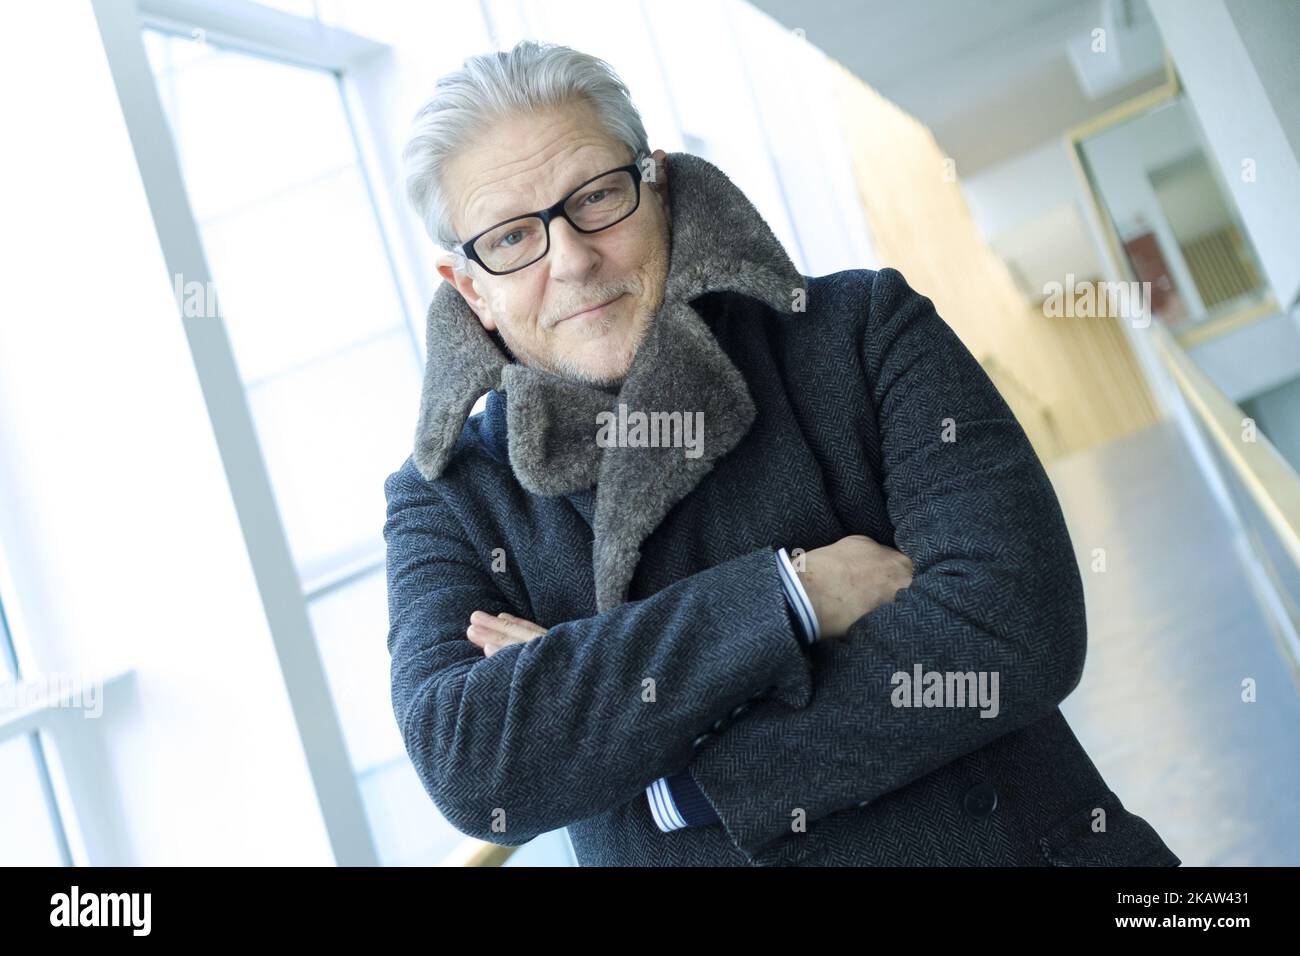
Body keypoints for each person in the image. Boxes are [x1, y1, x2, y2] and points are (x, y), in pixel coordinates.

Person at [384, 39, 1180, 867]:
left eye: (597, 197)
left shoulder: (862, 330)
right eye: (513, 238)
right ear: (470, 284)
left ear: (656, 185)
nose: (575, 258)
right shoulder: (448, 497)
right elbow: (475, 770)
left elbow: (1015, 627)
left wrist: (668, 781)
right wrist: (790, 597)